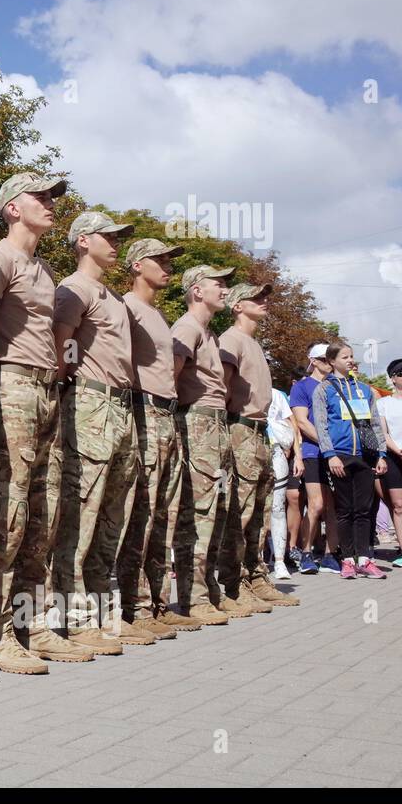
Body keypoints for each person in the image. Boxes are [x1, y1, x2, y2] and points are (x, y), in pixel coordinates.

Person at [0, 171, 93, 674]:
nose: (49, 204)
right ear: (12, 208)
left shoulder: (41, 268)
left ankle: (33, 623)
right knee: (9, 511)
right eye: (39, 197)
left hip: (44, 390)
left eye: (51, 197)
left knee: (39, 515)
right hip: (9, 386)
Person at [50, 211, 144, 651]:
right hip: (89, 402)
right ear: (84, 240)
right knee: (81, 512)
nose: (116, 244)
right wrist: (65, 382)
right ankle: (73, 613)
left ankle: (105, 609)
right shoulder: (74, 288)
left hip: (120, 406)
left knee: (112, 513)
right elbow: (62, 343)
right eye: (109, 236)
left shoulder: (113, 297)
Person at [114, 238, 196, 635]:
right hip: (142, 409)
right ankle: (134, 607)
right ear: (135, 265)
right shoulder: (126, 308)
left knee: (162, 512)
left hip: (166, 414)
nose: (167, 266)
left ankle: (157, 603)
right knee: (140, 513)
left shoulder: (157, 314)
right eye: (158, 259)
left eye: (169, 259)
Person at [219, 283, 299, 609]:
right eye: (256, 297)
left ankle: (254, 575)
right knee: (238, 510)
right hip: (240, 428)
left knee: (260, 512)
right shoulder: (231, 340)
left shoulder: (252, 343)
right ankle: (232, 584)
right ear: (238, 305)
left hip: (260, 431)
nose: (264, 301)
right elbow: (221, 389)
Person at [169, 265, 237, 625]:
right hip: (196, 422)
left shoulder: (208, 333)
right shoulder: (187, 328)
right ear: (197, 290)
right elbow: (171, 379)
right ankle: (192, 597)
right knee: (197, 512)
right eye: (219, 284)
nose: (225, 290)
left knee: (215, 510)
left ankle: (207, 589)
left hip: (214, 424)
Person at [311, 345, 388, 579]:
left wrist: (382, 454)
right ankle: (346, 559)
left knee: (364, 510)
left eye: (352, 356)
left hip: (364, 456)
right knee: (344, 510)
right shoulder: (324, 389)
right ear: (332, 361)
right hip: (339, 456)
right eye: (345, 357)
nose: (351, 360)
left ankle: (364, 558)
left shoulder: (364, 389)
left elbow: (375, 423)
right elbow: (321, 426)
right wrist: (329, 455)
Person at [290, 344, 341, 572]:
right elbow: (301, 421)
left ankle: (331, 554)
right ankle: (307, 552)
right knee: (316, 504)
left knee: (334, 506)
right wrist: (326, 444)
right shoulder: (301, 387)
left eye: (333, 358)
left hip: (339, 454)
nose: (330, 362)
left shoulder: (338, 387)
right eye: (325, 358)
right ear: (314, 361)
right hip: (314, 452)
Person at [375, 358, 402, 567]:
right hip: (394, 456)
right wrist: (398, 450)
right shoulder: (383, 403)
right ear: (393, 378)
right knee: (400, 505)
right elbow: (382, 433)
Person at [265, 385, 304, 578]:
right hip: (246, 451)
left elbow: (292, 423)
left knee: (278, 506)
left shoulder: (275, 394)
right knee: (252, 507)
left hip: (276, 451)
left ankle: (279, 560)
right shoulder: (235, 386)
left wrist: (298, 456)